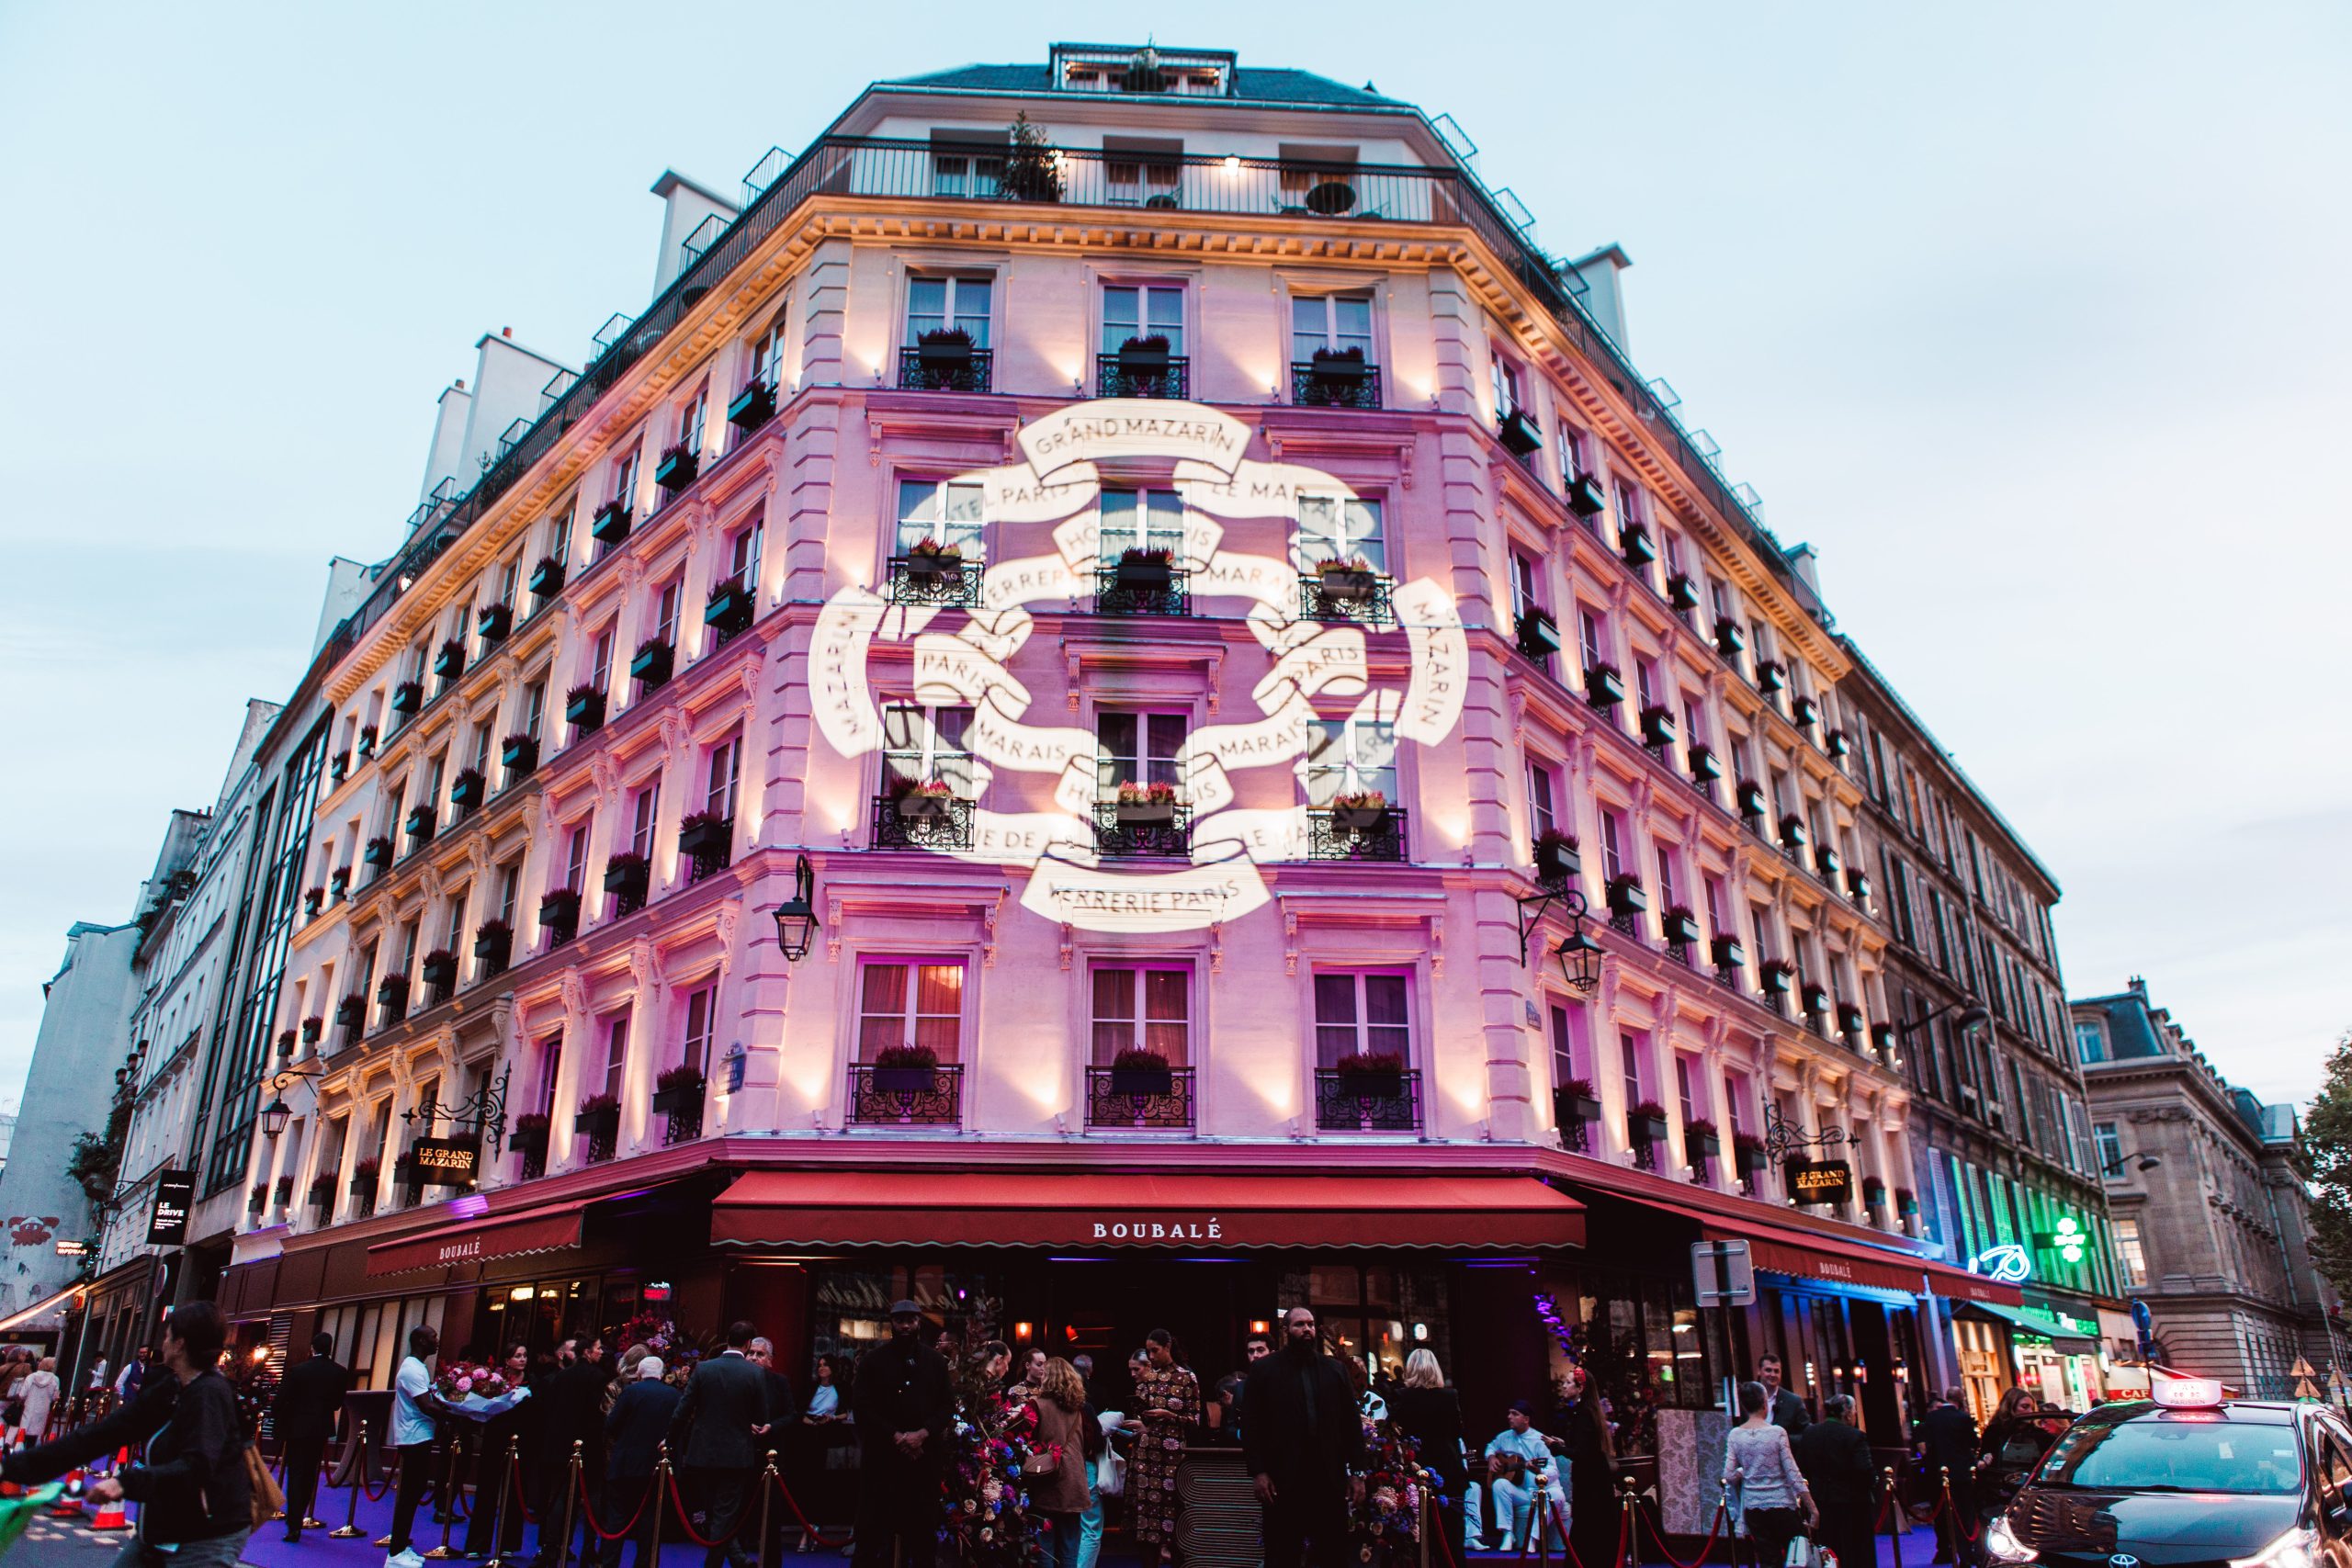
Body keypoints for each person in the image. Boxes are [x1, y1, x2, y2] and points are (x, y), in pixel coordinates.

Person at [5, 1302, 253, 1568]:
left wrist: (124, 1483)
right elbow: (105, 1433)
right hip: (161, 1532)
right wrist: (12, 1468)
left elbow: (197, 1466)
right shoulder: (173, 1388)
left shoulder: (208, 1394)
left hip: (204, 1537)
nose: (163, 1343)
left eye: (168, 1336)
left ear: (180, 1344)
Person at [1242, 1307, 1366, 1568]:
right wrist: (1259, 1471)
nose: (1307, 1329)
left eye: (1310, 1324)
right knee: (1282, 1553)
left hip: (1327, 1477)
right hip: (1283, 1479)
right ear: (1286, 1331)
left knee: (1332, 1553)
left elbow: (1350, 1423)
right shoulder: (1265, 1370)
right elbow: (1252, 1425)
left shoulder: (1334, 1369)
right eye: (1300, 1325)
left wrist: (1357, 1472)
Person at [852, 1301, 954, 1568]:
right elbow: (862, 1407)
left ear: (919, 1322)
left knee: (922, 1539)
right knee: (872, 1537)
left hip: (922, 1461)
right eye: (900, 1321)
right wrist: (895, 1436)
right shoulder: (873, 1361)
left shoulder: (934, 1362)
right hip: (882, 1463)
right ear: (892, 1324)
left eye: (910, 1320)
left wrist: (923, 1433)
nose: (906, 1326)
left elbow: (946, 1405)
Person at [671, 1321, 768, 1568]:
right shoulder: (754, 1373)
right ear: (748, 1344)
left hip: (703, 1452)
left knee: (715, 1509)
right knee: (724, 1511)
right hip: (736, 1453)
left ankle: (735, 1558)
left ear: (727, 1339)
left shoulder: (704, 1369)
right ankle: (717, 1562)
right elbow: (760, 1414)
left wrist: (670, 1441)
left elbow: (683, 1410)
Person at [532, 1335, 612, 1568]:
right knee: (592, 1499)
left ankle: (552, 1547)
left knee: (559, 1497)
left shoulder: (562, 1377)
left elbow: (552, 1411)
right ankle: (589, 1550)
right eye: (597, 1348)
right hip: (589, 1447)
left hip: (560, 1446)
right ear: (586, 1351)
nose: (601, 1352)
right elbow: (598, 1416)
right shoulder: (598, 1378)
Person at [1128, 1328, 1202, 1568]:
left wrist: (1169, 1415)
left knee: (1176, 1518)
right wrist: (1141, 1422)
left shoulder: (1186, 1378)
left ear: (1168, 1347)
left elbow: (1196, 1420)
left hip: (1173, 1458)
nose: (1150, 1356)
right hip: (1146, 1457)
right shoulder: (1147, 1378)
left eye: (1154, 1350)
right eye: (1148, 1351)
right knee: (1147, 1524)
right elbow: (1139, 1414)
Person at [600, 1356, 683, 1568]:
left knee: (616, 1519)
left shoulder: (631, 1392)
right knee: (649, 1520)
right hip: (655, 1464)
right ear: (662, 1374)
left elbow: (611, 1424)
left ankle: (609, 1563)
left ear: (639, 1373)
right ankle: (644, 1564)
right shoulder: (674, 1395)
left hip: (626, 1463)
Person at [1724, 1380, 1816, 1568]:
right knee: (1797, 1557)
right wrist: (1812, 1507)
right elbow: (1792, 1472)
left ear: (1744, 1405)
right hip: (1782, 1502)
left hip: (1754, 1506)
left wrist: (1744, 1471)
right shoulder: (1777, 1433)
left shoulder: (1735, 1435)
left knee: (1768, 1559)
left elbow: (1728, 1474)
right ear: (1765, 1402)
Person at [273, 1332, 350, 1543]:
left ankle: (293, 1522)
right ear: (330, 1348)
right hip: (320, 1428)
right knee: (310, 1473)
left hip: (298, 1427)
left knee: (296, 1473)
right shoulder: (339, 1372)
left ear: (312, 1348)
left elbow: (280, 1401)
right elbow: (336, 1403)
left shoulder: (298, 1371)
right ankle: (300, 1513)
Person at [1386, 1349, 1467, 1552]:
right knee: (1451, 1536)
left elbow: (1394, 1430)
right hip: (1448, 1468)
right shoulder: (1450, 1396)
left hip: (1416, 1466)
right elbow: (1457, 1431)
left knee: (1418, 1535)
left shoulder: (1402, 1395)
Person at [1025, 1357, 1102, 1568]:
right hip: (1074, 1484)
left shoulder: (1036, 1405)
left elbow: (1025, 1440)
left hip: (1045, 1481)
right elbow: (1094, 1441)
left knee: (1044, 1551)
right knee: (1070, 1551)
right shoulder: (1082, 1408)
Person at [463, 1342, 537, 1559]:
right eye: (517, 1356)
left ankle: (509, 1543)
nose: (522, 1359)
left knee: (515, 1491)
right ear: (507, 1360)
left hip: (521, 1442)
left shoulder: (533, 1383)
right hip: (495, 1439)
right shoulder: (495, 1383)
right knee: (487, 1490)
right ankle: (478, 1543)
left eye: (524, 1355)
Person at [380, 1324, 443, 1568]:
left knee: (413, 1493)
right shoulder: (412, 1369)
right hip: (414, 1437)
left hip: (419, 1436)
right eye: (432, 1337)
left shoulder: (418, 1367)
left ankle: (401, 1546)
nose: (436, 1340)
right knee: (409, 1495)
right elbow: (426, 1405)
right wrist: (454, 1416)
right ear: (419, 1341)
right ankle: (396, 1553)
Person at [1793, 1394, 1874, 1568]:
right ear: (1846, 1413)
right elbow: (1864, 1471)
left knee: (1828, 1550)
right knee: (1856, 1552)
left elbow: (1801, 1466)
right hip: (1853, 1503)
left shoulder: (1810, 1433)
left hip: (1821, 1500)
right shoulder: (1855, 1436)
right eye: (1853, 1411)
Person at [1976, 1386, 2064, 1528]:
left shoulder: (2040, 1436)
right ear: (2011, 1407)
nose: (2030, 1412)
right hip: (2000, 1496)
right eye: (2025, 1407)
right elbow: (1985, 1461)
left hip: (2032, 1496)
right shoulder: (1996, 1432)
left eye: (2031, 1407)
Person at [1557, 1365, 1619, 1568]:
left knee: (1588, 1527)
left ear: (1580, 1388)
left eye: (1568, 1383)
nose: (1564, 1386)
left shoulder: (1583, 1414)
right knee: (1590, 1527)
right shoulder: (1584, 1412)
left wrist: (1558, 1448)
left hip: (1591, 1481)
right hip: (1592, 1478)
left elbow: (1582, 1453)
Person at [1484, 1402, 1566, 1551]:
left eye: (1515, 1414)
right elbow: (1491, 1446)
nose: (1509, 1417)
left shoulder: (1540, 1440)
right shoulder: (1504, 1437)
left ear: (1526, 1419)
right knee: (1499, 1484)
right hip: (1522, 1492)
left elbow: (1554, 1471)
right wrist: (1491, 1457)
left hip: (1543, 1490)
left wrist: (1539, 1472)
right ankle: (1508, 1534)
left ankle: (1532, 1538)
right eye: (1509, 1413)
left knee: (1557, 1496)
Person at [1915, 1388, 1978, 1565]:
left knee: (1942, 1515)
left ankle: (1945, 1549)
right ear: (1961, 1399)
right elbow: (1974, 1442)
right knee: (1964, 1514)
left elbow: (1927, 1446)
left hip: (1937, 1473)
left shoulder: (1932, 1418)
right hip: (1960, 1473)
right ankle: (1967, 1554)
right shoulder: (1963, 1418)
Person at [1758, 1356, 1810, 1437]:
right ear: (1759, 1371)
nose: (1773, 1374)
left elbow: (1806, 1434)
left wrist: (1782, 1439)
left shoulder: (1794, 1402)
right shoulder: (1748, 1399)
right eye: (1768, 1370)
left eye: (1776, 1371)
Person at [19, 1356, 60, 1447]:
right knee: (35, 1433)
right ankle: (30, 1451)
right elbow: (55, 1397)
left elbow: (22, 1394)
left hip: (29, 1406)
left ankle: (20, 1450)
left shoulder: (31, 1377)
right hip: (43, 1409)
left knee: (24, 1432)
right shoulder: (55, 1379)